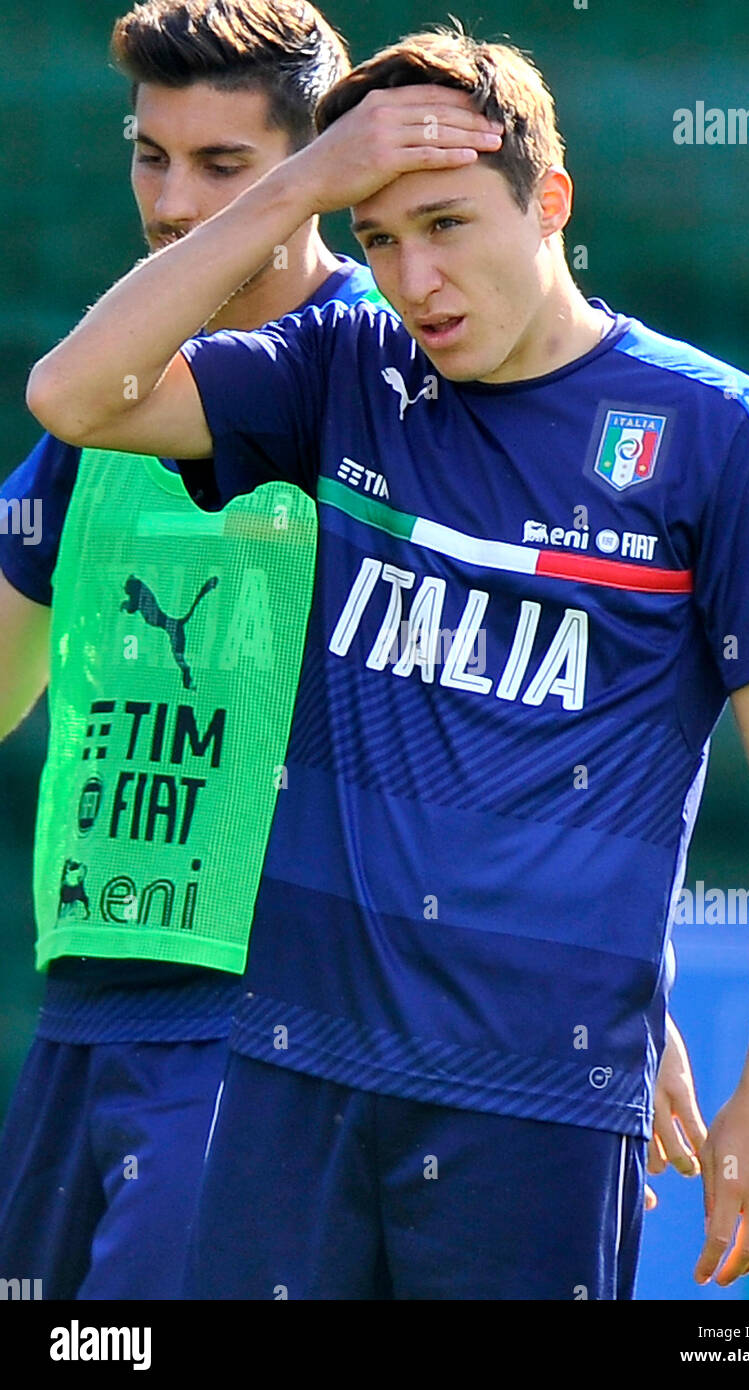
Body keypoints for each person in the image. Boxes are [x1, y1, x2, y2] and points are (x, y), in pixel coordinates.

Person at [27, 29, 749, 1300]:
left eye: (446, 225)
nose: (415, 279)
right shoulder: (341, 369)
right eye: (379, 240)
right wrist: (292, 190)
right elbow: (76, 396)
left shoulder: (716, 429)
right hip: (291, 1072)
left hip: (540, 1095)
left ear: (548, 202)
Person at [0, 0, 387, 1300]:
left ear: (319, 165)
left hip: (275, 1019)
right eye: (150, 155)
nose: (172, 204)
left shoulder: (400, 388)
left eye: (224, 167)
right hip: (86, 1009)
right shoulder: (93, 411)